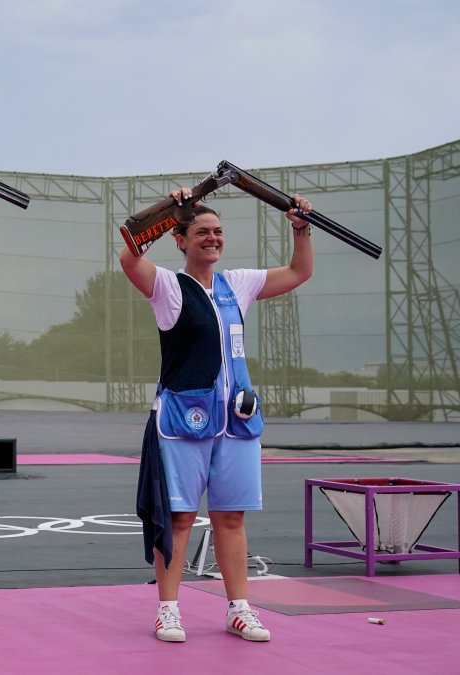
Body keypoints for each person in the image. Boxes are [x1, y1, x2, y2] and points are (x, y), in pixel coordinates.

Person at [121, 187, 314, 644]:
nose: (212, 238)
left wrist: (301, 229)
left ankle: (239, 610)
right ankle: (168, 611)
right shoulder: (167, 286)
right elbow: (129, 258)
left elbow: (299, 271)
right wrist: (169, 211)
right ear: (181, 240)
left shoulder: (237, 284)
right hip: (182, 421)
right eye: (202, 232)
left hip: (237, 420)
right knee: (180, 519)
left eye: (218, 232)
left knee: (231, 519)